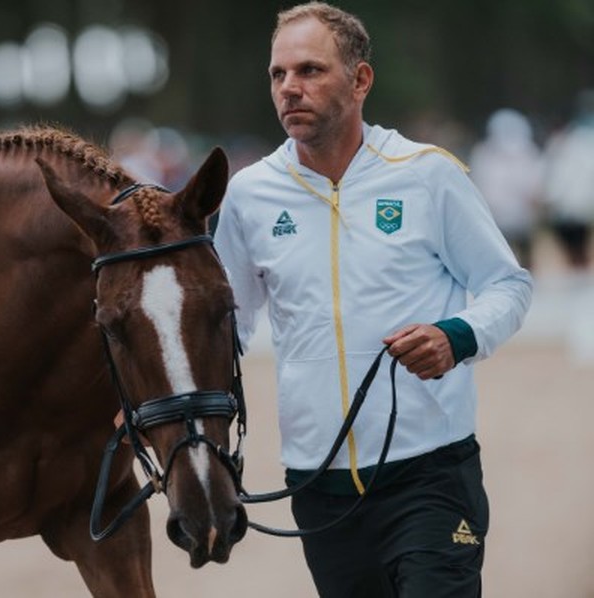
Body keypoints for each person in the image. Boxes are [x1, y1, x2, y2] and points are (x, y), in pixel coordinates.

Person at [213, 3, 533, 596]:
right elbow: (225, 324)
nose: (289, 89)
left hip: (430, 474)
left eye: (310, 70)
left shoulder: (427, 174)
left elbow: (509, 284)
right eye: (278, 74)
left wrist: (455, 337)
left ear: (360, 80)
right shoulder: (249, 195)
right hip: (316, 483)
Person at [468, 108, 544, 270]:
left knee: (525, 255)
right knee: (502, 255)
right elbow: (480, 183)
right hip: (496, 216)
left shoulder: (527, 151)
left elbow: (534, 184)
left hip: (521, 215)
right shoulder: (484, 153)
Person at [542, 90, 594, 271]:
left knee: (580, 245)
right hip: (561, 208)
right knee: (568, 245)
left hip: (578, 204)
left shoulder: (581, 144)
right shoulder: (554, 146)